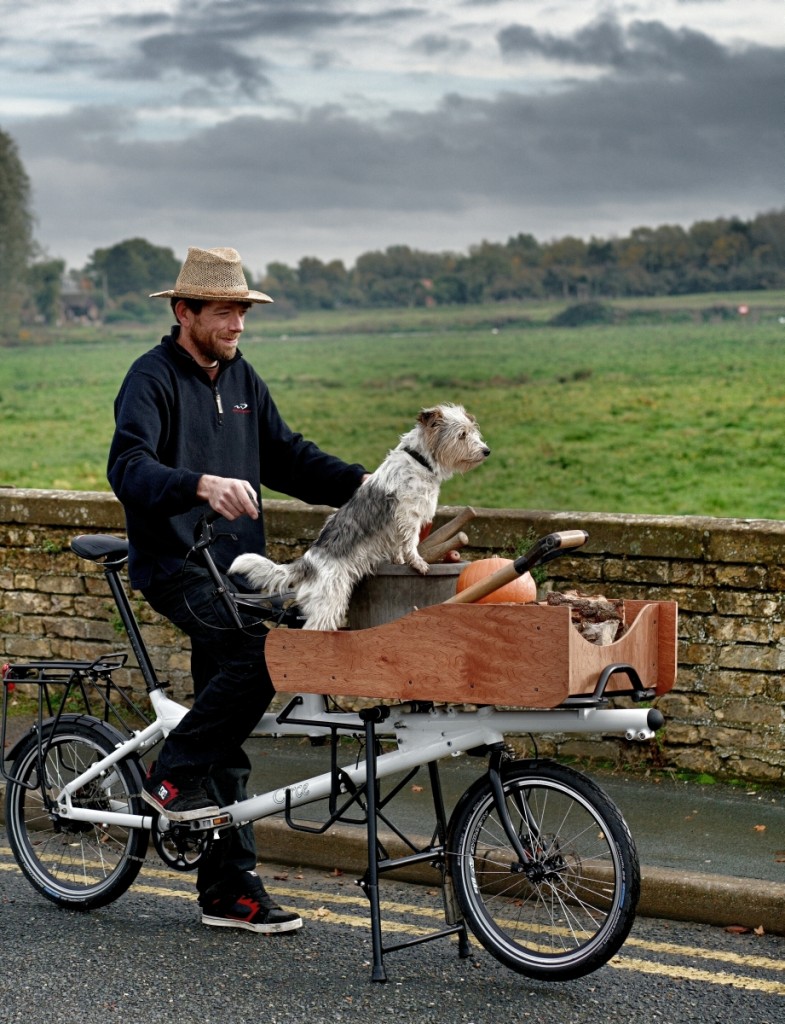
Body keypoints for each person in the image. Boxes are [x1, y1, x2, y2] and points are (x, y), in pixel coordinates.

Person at [107, 246, 367, 934]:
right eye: (225, 310)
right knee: (259, 659)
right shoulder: (150, 378)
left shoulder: (241, 376)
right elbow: (127, 467)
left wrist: (376, 490)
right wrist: (197, 484)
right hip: (176, 565)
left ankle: (228, 890)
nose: (238, 323)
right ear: (184, 311)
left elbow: (288, 457)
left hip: (237, 571)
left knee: (227, 726)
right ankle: (169, 779)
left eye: (243, 311)